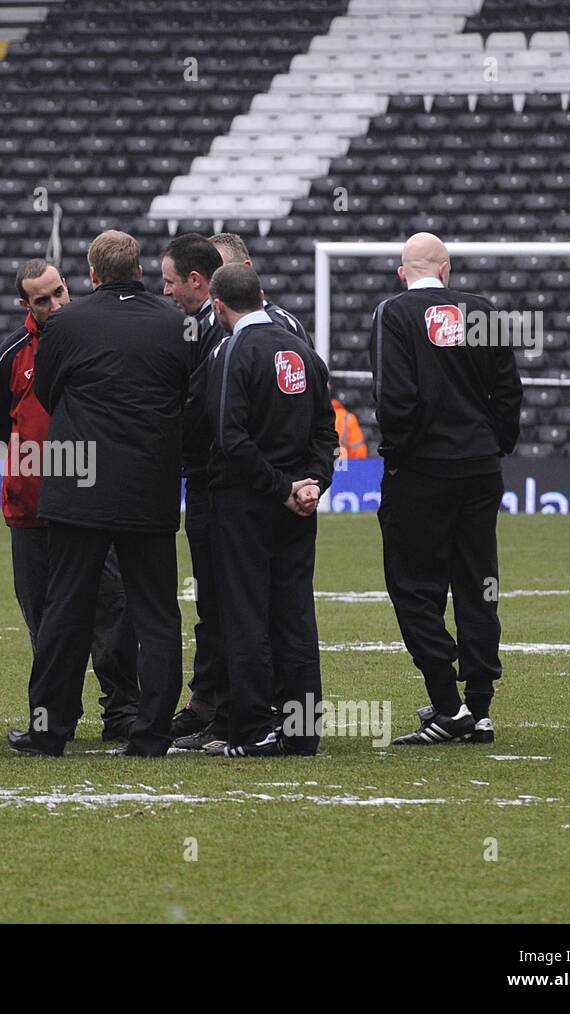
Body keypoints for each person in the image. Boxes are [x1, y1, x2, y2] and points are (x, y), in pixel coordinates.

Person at [7, 231, 191, 757]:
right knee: (156, 613)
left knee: (65, 607)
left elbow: (48, 390)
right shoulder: (176, 324)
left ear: (91, 274)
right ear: (141, 269)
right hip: (149, 486)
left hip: (77, 484)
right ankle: (151, 732)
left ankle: (49, 730)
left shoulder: (67, 323)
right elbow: (187, 394)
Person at [371, 232, 522, 745]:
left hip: (422, 469)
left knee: (412, 585)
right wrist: (494, 443)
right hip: (479, 468)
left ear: (401, 272)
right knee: (479, 580)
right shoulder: (483, 310)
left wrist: (403, 453)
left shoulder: (394, 314)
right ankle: (479, 708)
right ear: (447, 268)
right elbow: (508, 391)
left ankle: (447, 703)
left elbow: (395, 399)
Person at [0, 259, 139, 741]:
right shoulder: (9, 354)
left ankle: (122, 712)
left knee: (111, 611)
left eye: (59, 292)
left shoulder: (97, 336)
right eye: (42, 299)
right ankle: (53, 718)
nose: (55, 304)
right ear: (24, 305)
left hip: (91, 502)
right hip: (31, 510)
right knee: (44, 618)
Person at [204, 264, 338, 756]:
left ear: (219, 305)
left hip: (246, 502)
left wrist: (281, 488)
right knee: (295, 614)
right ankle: (301, 731)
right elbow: (327, 430)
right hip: (299, 506)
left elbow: (229, 437)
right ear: (262, 295)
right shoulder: (303, 350)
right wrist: (313, 485)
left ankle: (254, 728)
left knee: (246, 614)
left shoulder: (230, 350)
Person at [159, 233, 227, 747]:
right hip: (205, 479)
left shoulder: (223, 331)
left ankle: (229, 706)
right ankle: (207, 700)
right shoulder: (199, 325)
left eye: (168, 281)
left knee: (227, 597)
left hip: (219, 482)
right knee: (213, 596)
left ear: (195, 281)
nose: (164, 292)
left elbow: (201, 408)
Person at [209, 232, 310, 342]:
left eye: (217, 271)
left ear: (245, 268)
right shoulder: (205, 325)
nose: (210, 281)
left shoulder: (282, 325)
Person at [332, 394, 368, 460]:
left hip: (324, 462)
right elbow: (358, 451)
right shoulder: (349, 417)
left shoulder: (323, 415)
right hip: (348, 461)